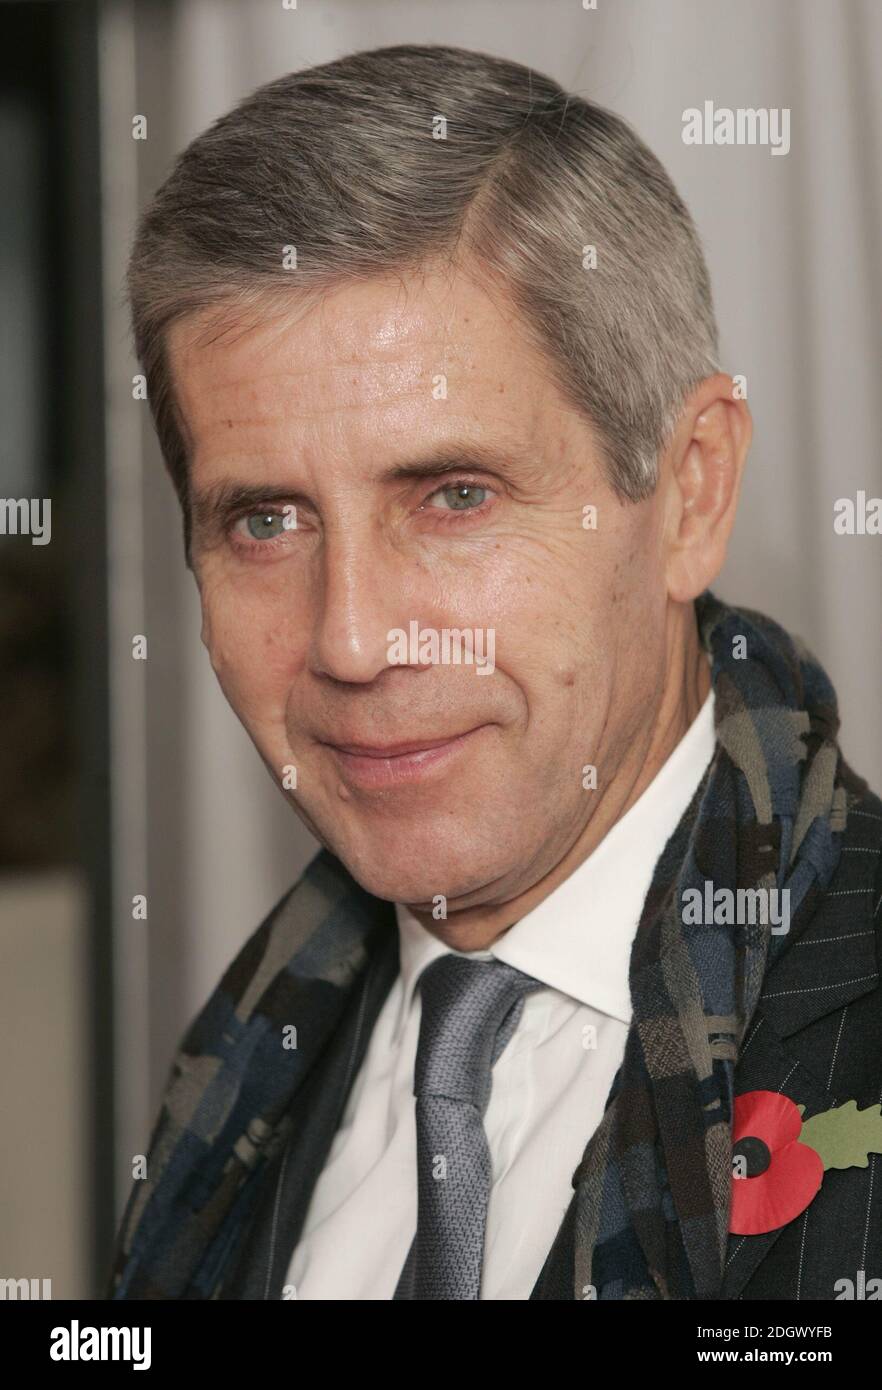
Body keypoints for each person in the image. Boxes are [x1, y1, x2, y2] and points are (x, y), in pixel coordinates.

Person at [108, 45, 882, 1301]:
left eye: (455, 496)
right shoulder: (244, 1072)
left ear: (690, 491)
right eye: (265, 521)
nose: (353, 640)